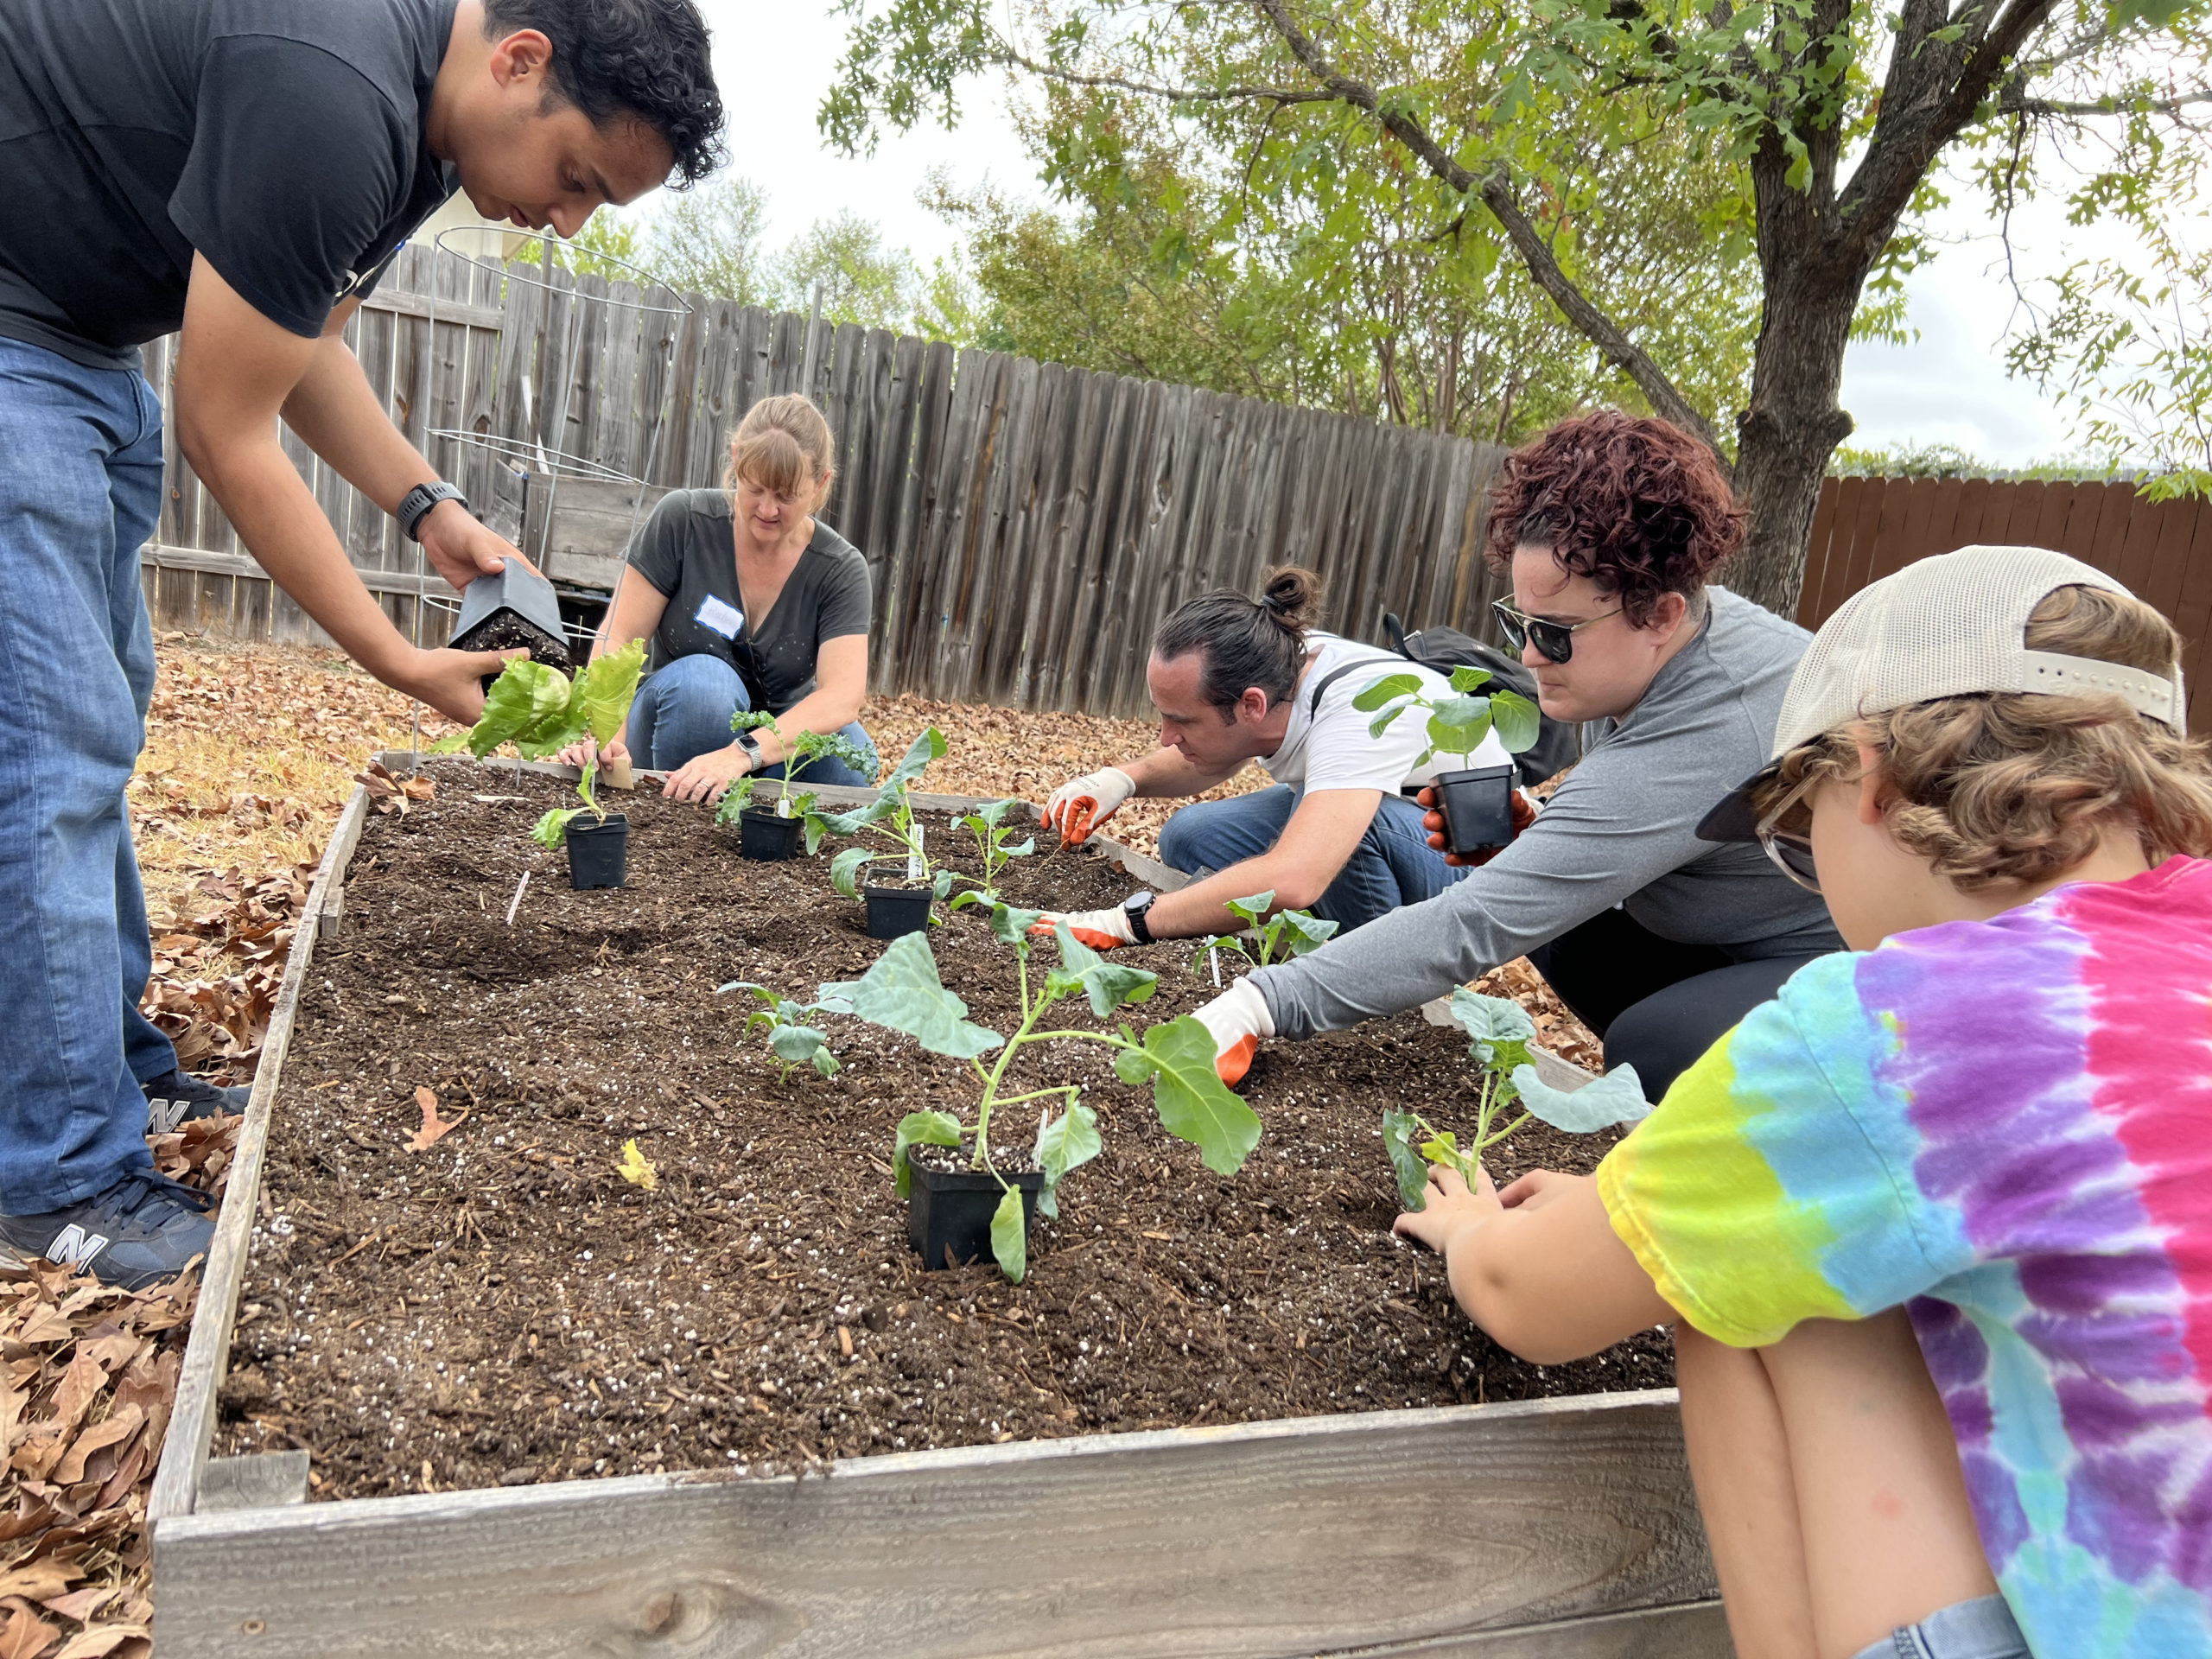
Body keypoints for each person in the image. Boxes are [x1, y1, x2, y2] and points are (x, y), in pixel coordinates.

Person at [0, 0, 724, 1287]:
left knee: (95, 720)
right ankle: (60, 1172)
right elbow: (229, 429)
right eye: (575, 181)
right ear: (521, 62)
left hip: (80, 343)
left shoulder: (413, 131)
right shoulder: (331, 93)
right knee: (48, 753)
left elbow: (303, 344)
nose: (565, 224)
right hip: (18, 338)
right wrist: (398, 661)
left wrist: (427, 506)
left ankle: (114, 1073)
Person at [1392, 545, 2212, 1659]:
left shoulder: (1899, 1029)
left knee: (1742, 1283)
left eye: (1793, 832)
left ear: (1868, 776)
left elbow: (1532, 1303)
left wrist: (1472, 1231)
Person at [1186, 412, 1842, 1096]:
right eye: (1519, 623)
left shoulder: (1713, 718)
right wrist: (1538, 829)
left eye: (1556, 635)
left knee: (1660, 1041)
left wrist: (1258, 1003)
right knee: (1564, 924)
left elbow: (1479, 923)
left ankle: (1737, 1134)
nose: (1528, 657)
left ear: (1661, 615)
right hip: (1731, 930)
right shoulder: (1668, 642)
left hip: (1860, 980)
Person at [1038, 567, 1517, 948]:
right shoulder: (1276, 664)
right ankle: (1304, 932)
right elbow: (1214, 750)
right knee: (1191, 836)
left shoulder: (1356, 708)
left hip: (1468, 860)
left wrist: (1132, 922)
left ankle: (1370, 963)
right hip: (1395, 824)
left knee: (1345, 832)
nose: (1167, 737)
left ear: (1251, 705)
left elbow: (1295, 878)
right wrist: (1120, 779)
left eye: (1181, 721)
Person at [558, 394, 878, 803]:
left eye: (786, 495)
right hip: (671, 721)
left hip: (771, 748)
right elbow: (617, 637)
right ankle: (676, 830)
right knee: (706, 687)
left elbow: (842, 697)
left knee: (851, 753)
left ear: (821, 485)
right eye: (755, 487)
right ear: (736, 459)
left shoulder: (839, 569)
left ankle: (767, 851)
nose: (766, 508)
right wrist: (607, 737)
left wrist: (740, 755)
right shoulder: (685, 522)